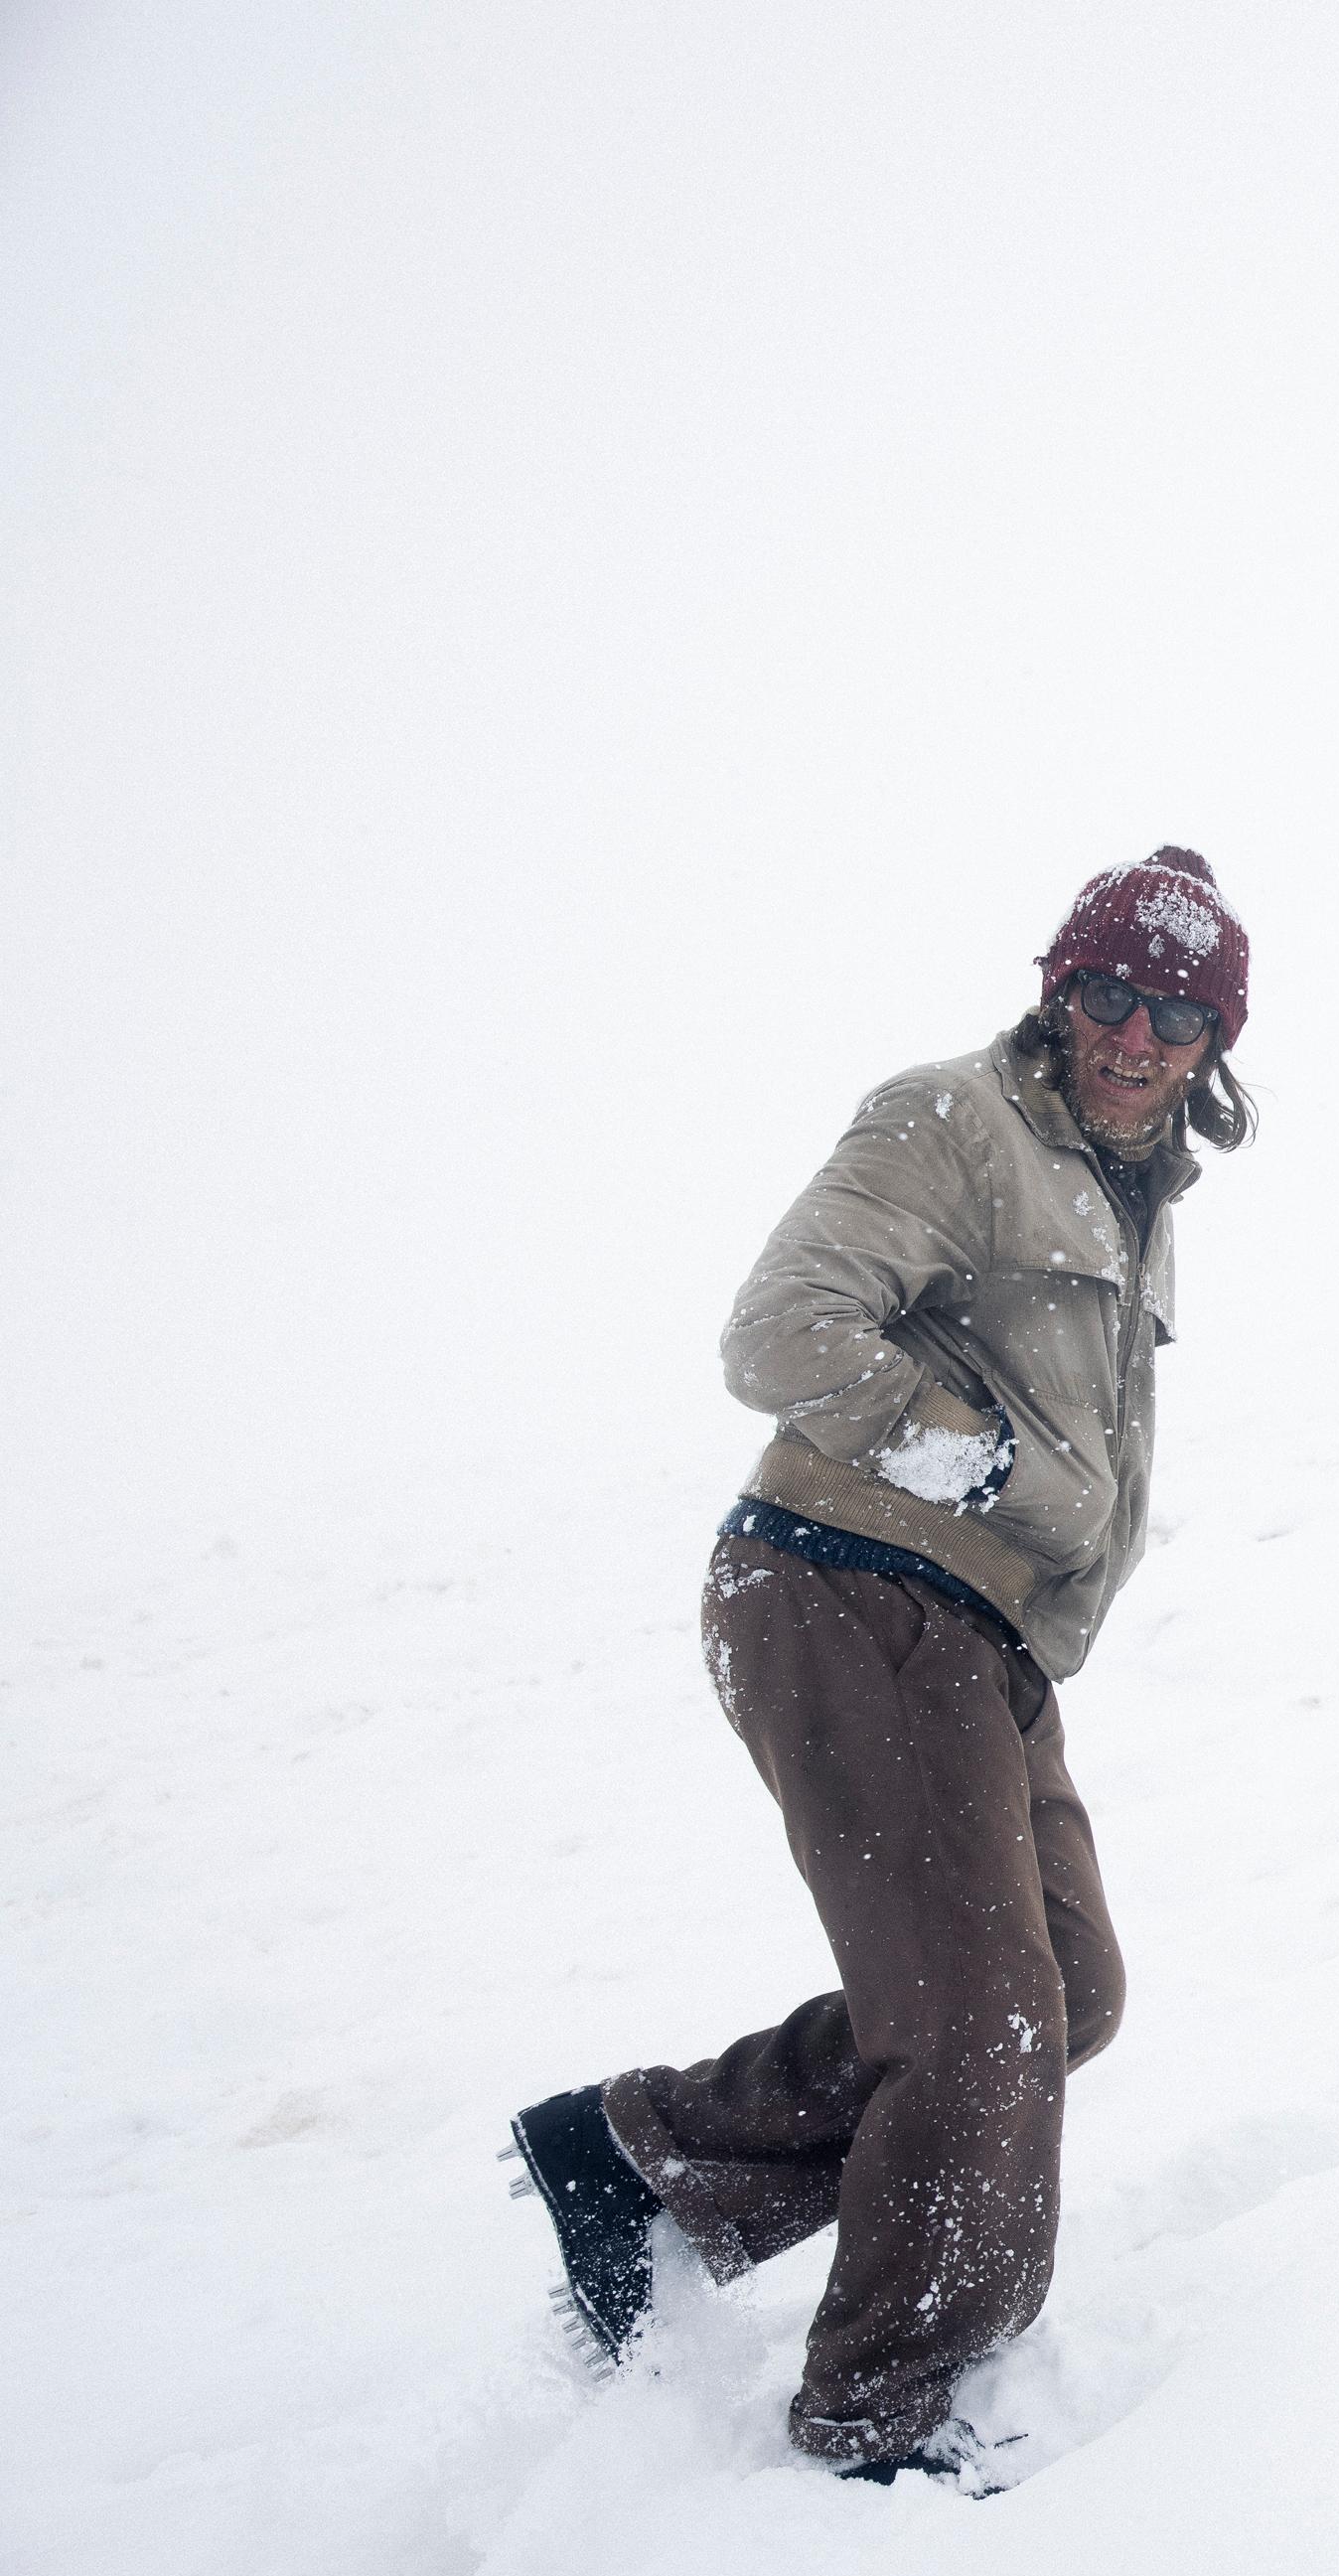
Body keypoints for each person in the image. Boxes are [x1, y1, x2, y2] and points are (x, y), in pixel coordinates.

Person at [504, 844, 1256, 2489]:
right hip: (849, 1583)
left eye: (1176, 1014)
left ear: (1215, 1047)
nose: (1135, 1035)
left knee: (1071, 1990)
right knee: (984, 2019)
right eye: (1108, 996)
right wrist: (970, 1465)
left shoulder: (1130, 1204)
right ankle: (894, 2411)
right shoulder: (952, 1122)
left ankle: (646, 2155)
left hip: (974, 1638)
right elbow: (778, 1331)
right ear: (1058, 993)